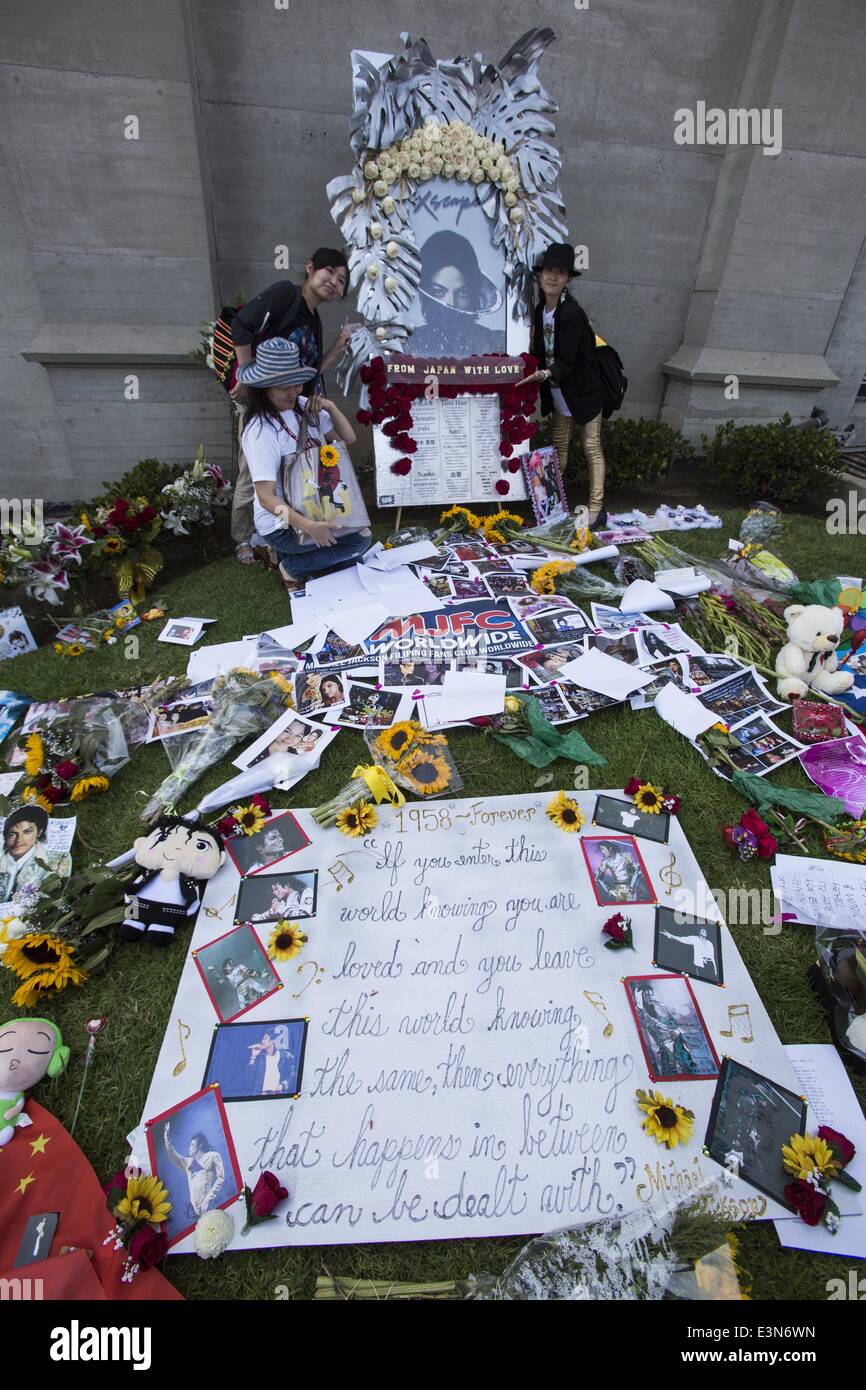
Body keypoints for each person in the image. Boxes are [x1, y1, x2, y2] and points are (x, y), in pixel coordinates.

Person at [229, 249, 353, 564]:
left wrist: (336, 351)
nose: (334, 284)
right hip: (262, 399)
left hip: (294, 407)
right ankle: (246, 538)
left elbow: (311, 371)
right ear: (310, 268)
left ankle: (293, 532)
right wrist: (247, 379)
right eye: (330, 274)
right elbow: (241, 325)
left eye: (341, 281)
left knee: (302, 469)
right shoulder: (286, 294)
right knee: (256, 474)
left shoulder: (314, 320)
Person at [239, 339, 370, 592]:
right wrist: (310, 528)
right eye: (284, 387)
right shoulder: (259, 432)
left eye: (297, 384)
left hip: (317, 505)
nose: (293, 392)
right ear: (264, 387)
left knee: (357, 550)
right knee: (357, 544)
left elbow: (348, 439)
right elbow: (266, 498)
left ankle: (290, 557)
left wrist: (330, 407)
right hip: (282, 524)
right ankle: (291, 568)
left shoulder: (302, 406)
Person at [527, 243, 608, 528]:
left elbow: (568, 361)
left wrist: (544, 374)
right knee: (559, 447)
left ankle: (597, 509)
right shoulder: (540, 311)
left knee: (591, 447)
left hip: (584, 393)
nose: (552, 277)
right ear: (540, 275)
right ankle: (552, 505)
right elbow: (540, 353)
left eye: (559, 273)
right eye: (548, 271)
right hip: (560, 391)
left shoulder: (572, 313)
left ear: (568, 280)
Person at [410, 231, 505, 357]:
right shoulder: (408, 344)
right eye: (439, 291)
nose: (451, 303)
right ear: (426, 294)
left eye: (462, 292)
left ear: (473, 293)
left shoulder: (497, 343)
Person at [0, 806, 72, 906]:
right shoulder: (2, 858)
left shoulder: (55, 859)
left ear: (39, 832)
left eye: (27, 832)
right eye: (12, 834)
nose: (19, 840)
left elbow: (50, 898)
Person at [163, 1124, 225, 1221]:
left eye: (192, 1145)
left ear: (199, 1146)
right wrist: (167, 1140)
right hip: (196, 1210)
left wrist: (207, 1200)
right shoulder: (188, 1162)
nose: (189, 1148)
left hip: (211, 1204)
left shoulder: (213, 1156)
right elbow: (174, 1157)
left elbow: (221, 1178)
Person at [248, 1030, 296, 1095]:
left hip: (277, 1095)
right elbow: (248, 1079)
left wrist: (282, 1086)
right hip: (260, 1094)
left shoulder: (286, 1056)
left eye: (265, 1038)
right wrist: (253, 1057)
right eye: (262, 1039)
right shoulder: (260, 1057)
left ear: (273, 1041)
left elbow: (292, 1076)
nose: (262, 1041)